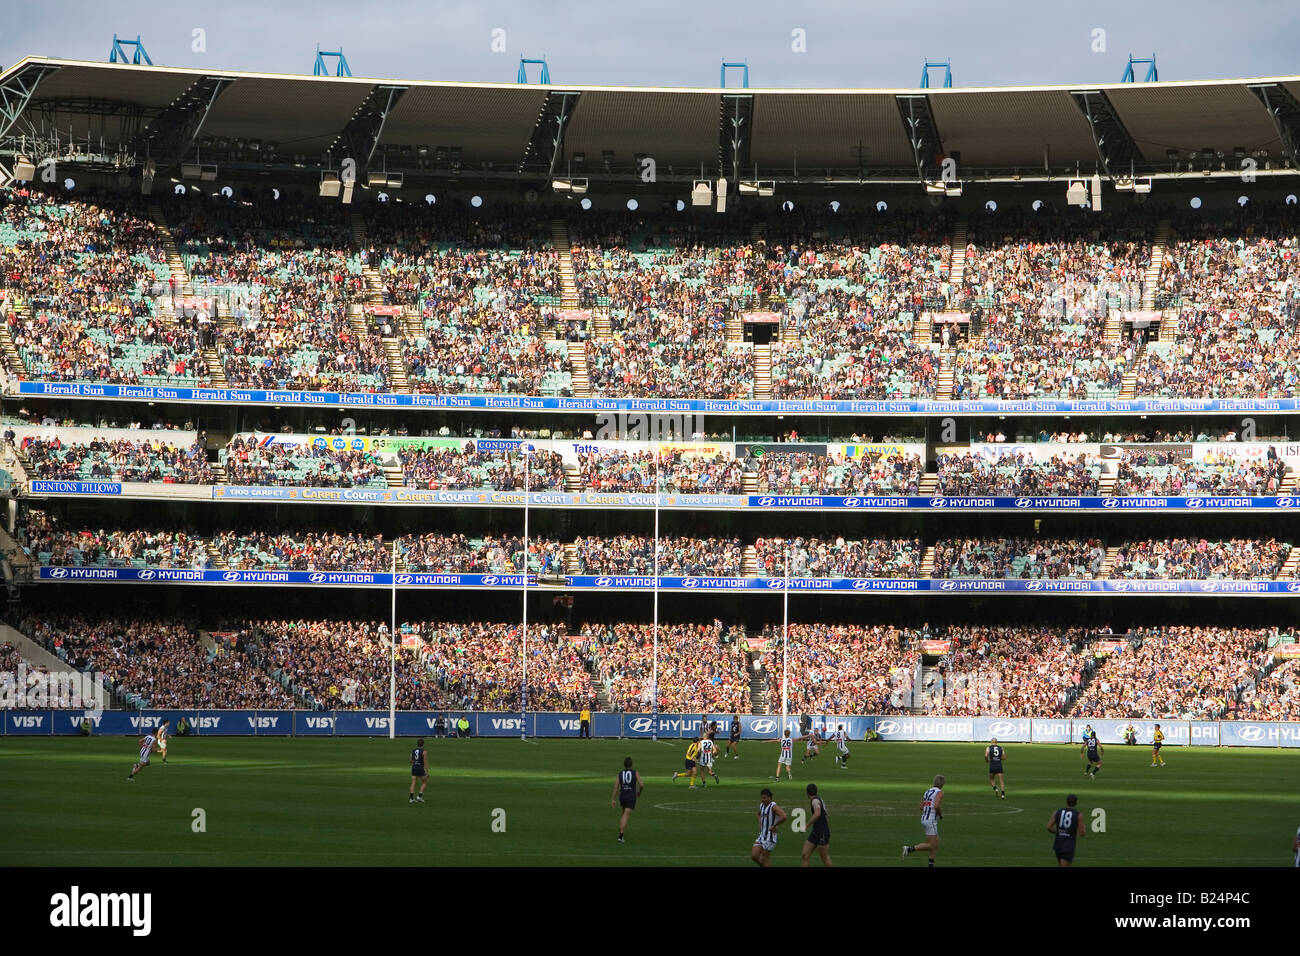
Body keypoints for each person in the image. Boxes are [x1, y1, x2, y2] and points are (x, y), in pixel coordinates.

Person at [903, 774, 945, 866]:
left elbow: (921, 807)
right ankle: (909, 849)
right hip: (931, 820)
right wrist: (940, 815)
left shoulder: (927, 791)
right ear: (942, 784)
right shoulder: (940, 792)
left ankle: (931, 864)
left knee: (936, 843)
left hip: (924, 818)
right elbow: (937, 805)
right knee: (932, 845)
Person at [751, 788, 787, 867]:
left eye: (764, 798)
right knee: (754, 855)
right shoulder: (761, 806)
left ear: (769, 798)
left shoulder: (773, 806)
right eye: (761, 798)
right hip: (762, 835)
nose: (762, 800)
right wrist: (760, 826)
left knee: (765, 857)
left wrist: (774, 825)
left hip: (770, 837)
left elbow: (784, 816)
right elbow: (758, 814)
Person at [1047, 794, 1085, 867]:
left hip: (1058, 844)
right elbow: (1082, 833)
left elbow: (1048, 827)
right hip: (1068, 846)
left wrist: (1058, 832)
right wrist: (1084, 828)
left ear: (1066, 802)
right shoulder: (1078, 815)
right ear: (1076, 803)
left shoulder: (1057, 812)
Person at [612, 756, 643, 843]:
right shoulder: (635, 773)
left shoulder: (620, 773)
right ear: (631, 764)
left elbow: (616, 787)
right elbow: (641, 785)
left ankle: (621, 832)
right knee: (626, 815)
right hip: (631, 797)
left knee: (623, 814)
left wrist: (613, 799)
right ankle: (620, 836)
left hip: (622, 796)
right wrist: (639, 793)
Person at [801, 783, 833, 867]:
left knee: (825, 858)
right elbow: (826, 814)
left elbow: (817, 814)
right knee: (805, 855)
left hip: (821, 832)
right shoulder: (819, 799)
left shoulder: (815, 801)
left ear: (807, 793)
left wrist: (806, 826)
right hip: (816, 831)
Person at [409, 737, 429, 804]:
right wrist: (427, 771)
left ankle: (411, 799)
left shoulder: (413, 750)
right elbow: (425, 762)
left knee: (413, 782)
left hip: (414, 767)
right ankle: (419, 797)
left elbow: (410, 759)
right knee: (424, 782)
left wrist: (414, 763)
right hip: (420, 767)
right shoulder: (424, 751)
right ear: (423, 744)